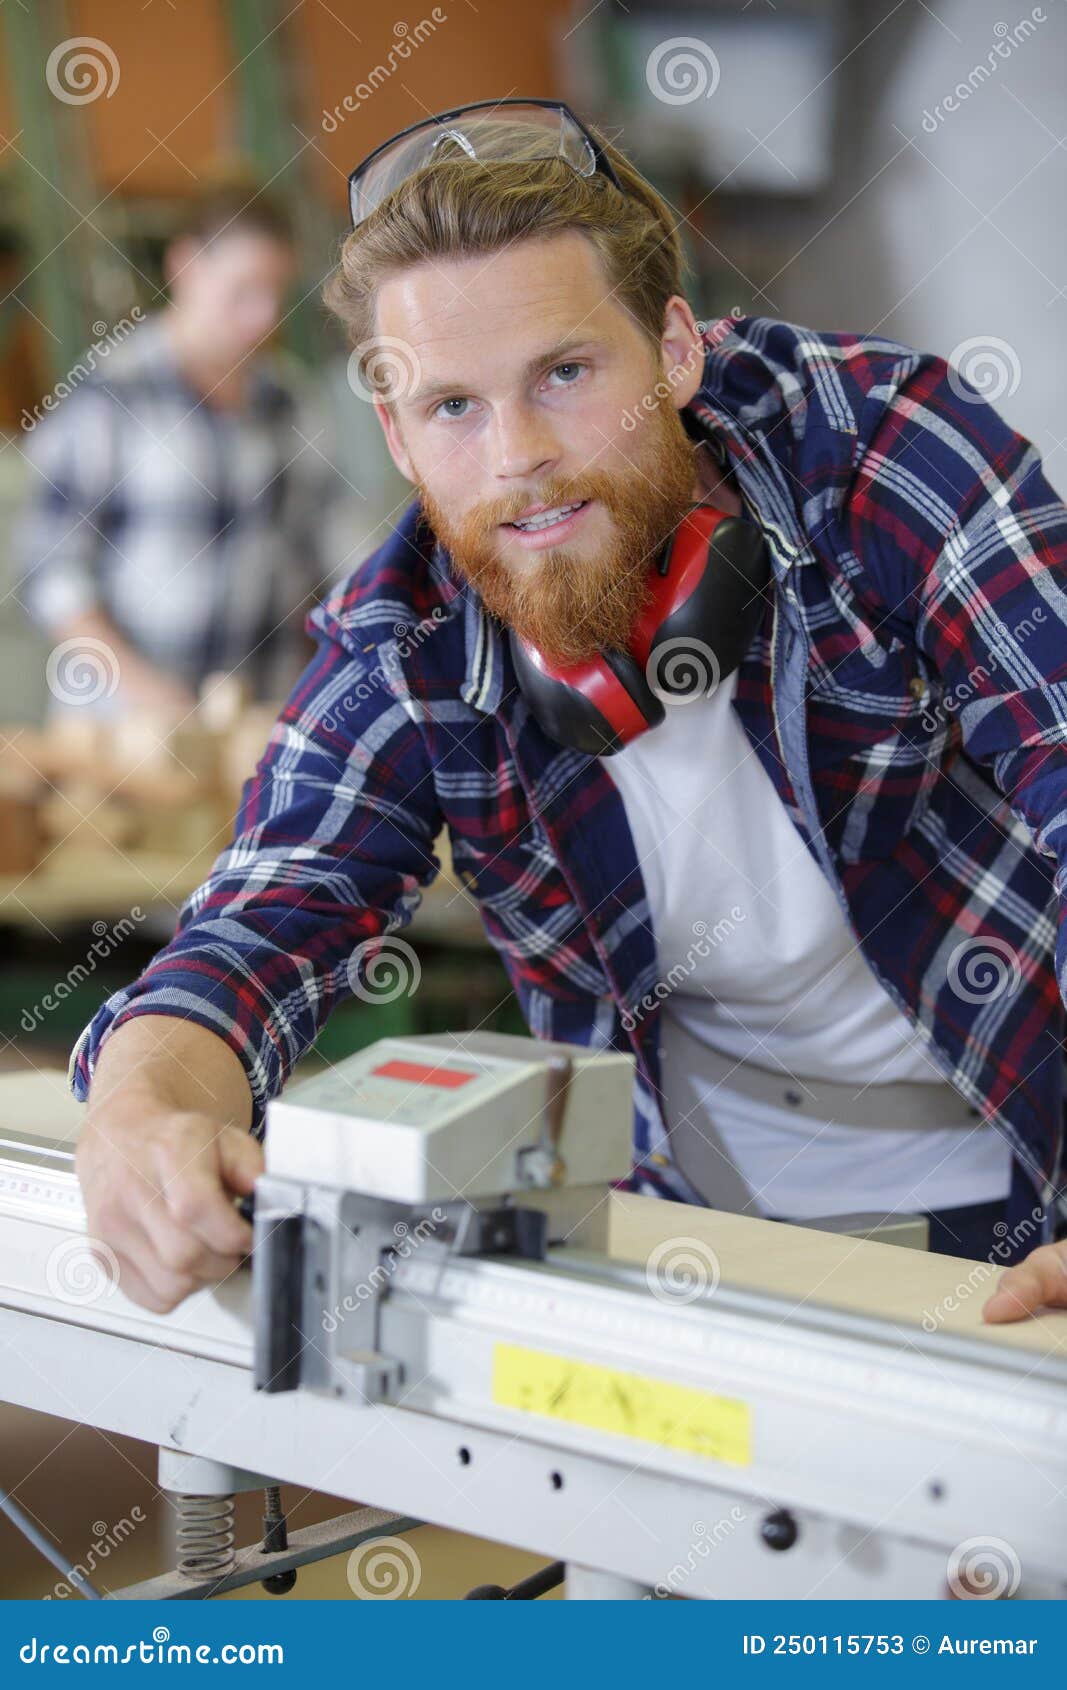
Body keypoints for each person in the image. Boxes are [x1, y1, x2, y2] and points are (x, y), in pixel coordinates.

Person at [68, 102, 1067, 1323]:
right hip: (682, 1231)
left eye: (565, 373)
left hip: (1015, 1180)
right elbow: (267, 911)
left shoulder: (873, 449)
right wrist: (140, 1107)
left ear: (675, 351)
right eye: (451, 407)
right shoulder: (408, 637)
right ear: (394, 434)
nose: (516, 457)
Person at [16, 176, 341, 718]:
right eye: (243, 292)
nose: (263, 316)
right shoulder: (108, 395)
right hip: (121, 731)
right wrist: (146, 693)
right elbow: (51, 574)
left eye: (275, 293)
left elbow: (338, 559)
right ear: (186, 266)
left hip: (256, 724)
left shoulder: (293, 404)